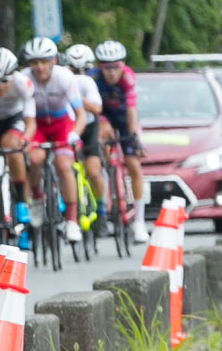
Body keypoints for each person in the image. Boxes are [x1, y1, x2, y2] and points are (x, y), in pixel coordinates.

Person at [21, 37, 87, 244]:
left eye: (45, 61)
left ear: (54, 61)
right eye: (34, 63)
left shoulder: (65, 78)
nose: (40, 67)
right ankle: (38, 198)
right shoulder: (24, 79)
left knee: (64, 165)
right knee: (35, 159)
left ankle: (71, 220)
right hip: (37, 124)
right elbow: (25, 117)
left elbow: (81, 114)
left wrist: (75, 133)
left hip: (62, 124)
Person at [0, 47, 37, 247]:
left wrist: (26, 140)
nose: (0, 86)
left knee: (13, 145)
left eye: (5, 81)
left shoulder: (23, 84)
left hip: (13, 120)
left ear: (13, 76)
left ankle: (21, 201)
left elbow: (30, 121)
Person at [92, 39, 149, 244]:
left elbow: (133, 112)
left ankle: (139, 221)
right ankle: (108, 182)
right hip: (105, 116)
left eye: (116, 66)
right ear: (100, 66)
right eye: (107, 67)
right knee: (102, 135)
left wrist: (134, 138)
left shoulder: (128, 78)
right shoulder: (93, 78)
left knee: (134, 164)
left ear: (123, 64)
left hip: (125, 117)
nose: (112, 72)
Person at [62, 43, 106, 231]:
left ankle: (102, 211)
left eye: (85, 69)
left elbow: (97, 108)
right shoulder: (62, 80)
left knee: (94, 171)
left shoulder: (89, 82)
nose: (80, 73)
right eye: (74, 69)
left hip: (88, 127)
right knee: (63, 167)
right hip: (69, 126)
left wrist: (77, 98)